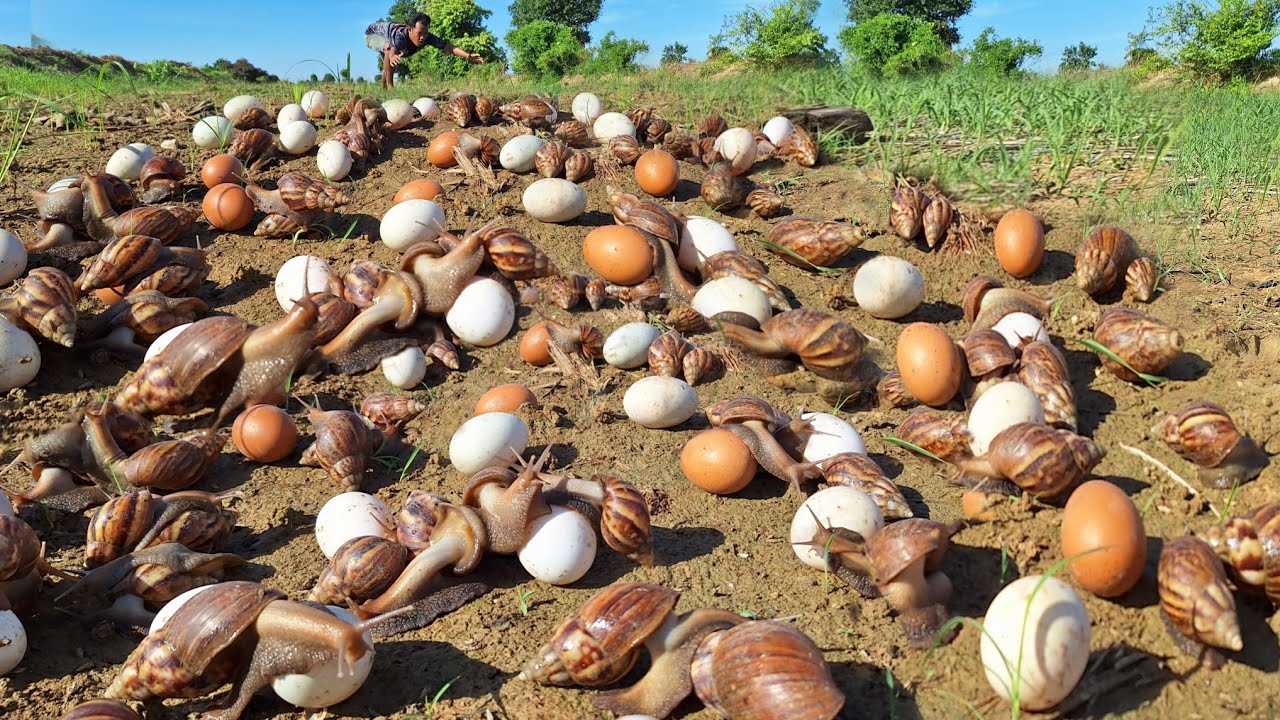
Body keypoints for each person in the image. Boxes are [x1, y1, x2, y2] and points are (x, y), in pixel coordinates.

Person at [365, 12, 484, 89]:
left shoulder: (427, 37)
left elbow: (449, 47)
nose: (422, 37)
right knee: (388, 48)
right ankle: (389, 87)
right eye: (419, 33)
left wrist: (468, 56)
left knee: (390, 53)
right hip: (373, 34)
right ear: (411, 29)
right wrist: (391, 56)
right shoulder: (401, 36)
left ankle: (383, 87)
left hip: (389, 39)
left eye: (425, 33)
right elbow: (392, 49)